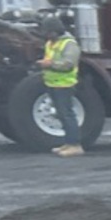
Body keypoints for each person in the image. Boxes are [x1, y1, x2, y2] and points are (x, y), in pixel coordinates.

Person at [37, 21, 85, 157]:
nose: (46, 35)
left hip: (64, 85)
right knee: (62, 115)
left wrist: (49, 64)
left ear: (55, 31)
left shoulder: (69, 44)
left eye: (48, 32)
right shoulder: (51, 43)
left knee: (67, 115)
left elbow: (68, 64)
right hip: (53, 84)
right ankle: (69, 143)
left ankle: (75, 145)